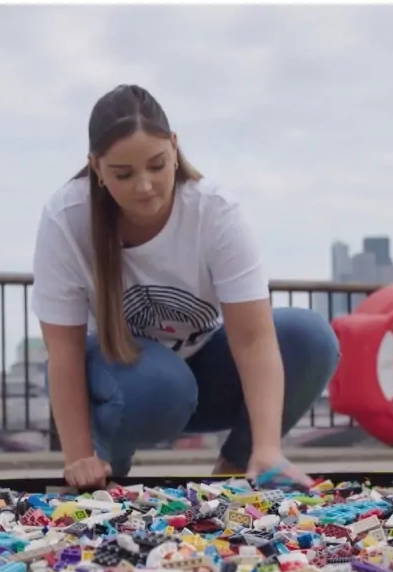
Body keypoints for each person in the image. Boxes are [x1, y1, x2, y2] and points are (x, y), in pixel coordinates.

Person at [32, 84, 340, 490]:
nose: (144, 186)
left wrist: (267, 448)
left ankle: (239, 468)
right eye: (124, 174)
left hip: (203, 372)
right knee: (163, 384)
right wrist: (79, 458)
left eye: (156, 165)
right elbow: (64, 353)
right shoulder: (66, 219)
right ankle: (108, 468)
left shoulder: (215, 212)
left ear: (174, 147)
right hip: (128, 382)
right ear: (96, 169)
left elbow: (253, 339)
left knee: (311, 337)